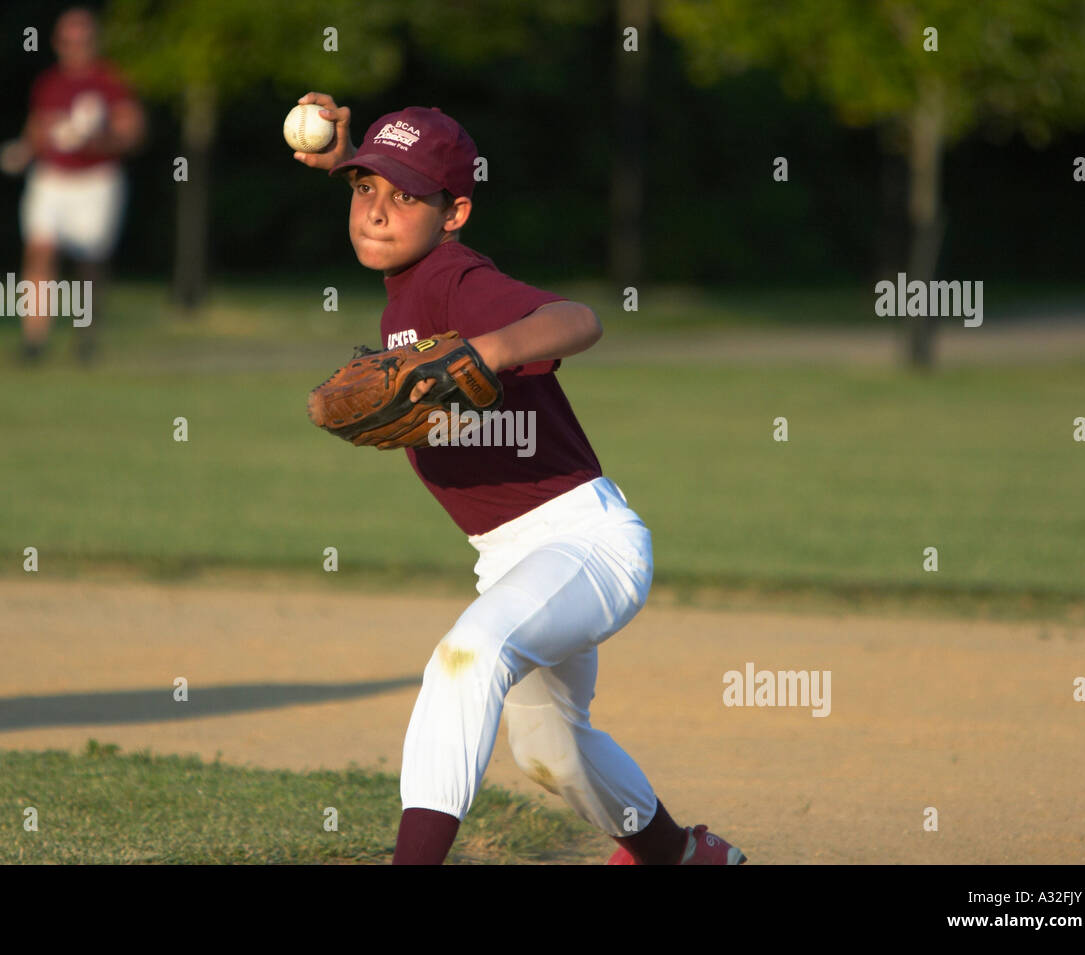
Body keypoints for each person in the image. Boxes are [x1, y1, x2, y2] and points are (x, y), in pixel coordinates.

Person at [294, 92, 748, 866]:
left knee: (465, 656)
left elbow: (579, 319)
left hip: (585, 542)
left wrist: (491, 351)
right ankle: (684, 856)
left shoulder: (456, 279)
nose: (376, 210)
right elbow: (388, 202)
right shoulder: (410, 281)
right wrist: (346, 160)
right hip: (513, 557)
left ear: (457, 213)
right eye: (365, 190)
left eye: (405, 196)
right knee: (552, 749)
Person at [0, 7, 144, 364]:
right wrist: (24, 150)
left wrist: (95, 139)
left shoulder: (110, 81)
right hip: (52, 178)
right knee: (39, 250)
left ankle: (86, 338)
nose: (75, 46)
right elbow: (37, 130)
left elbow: (133, 133)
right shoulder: (49, 83)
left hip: (96, 180)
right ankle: (34, 341)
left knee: (90, 261)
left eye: (83, 39)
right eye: (68, 39)